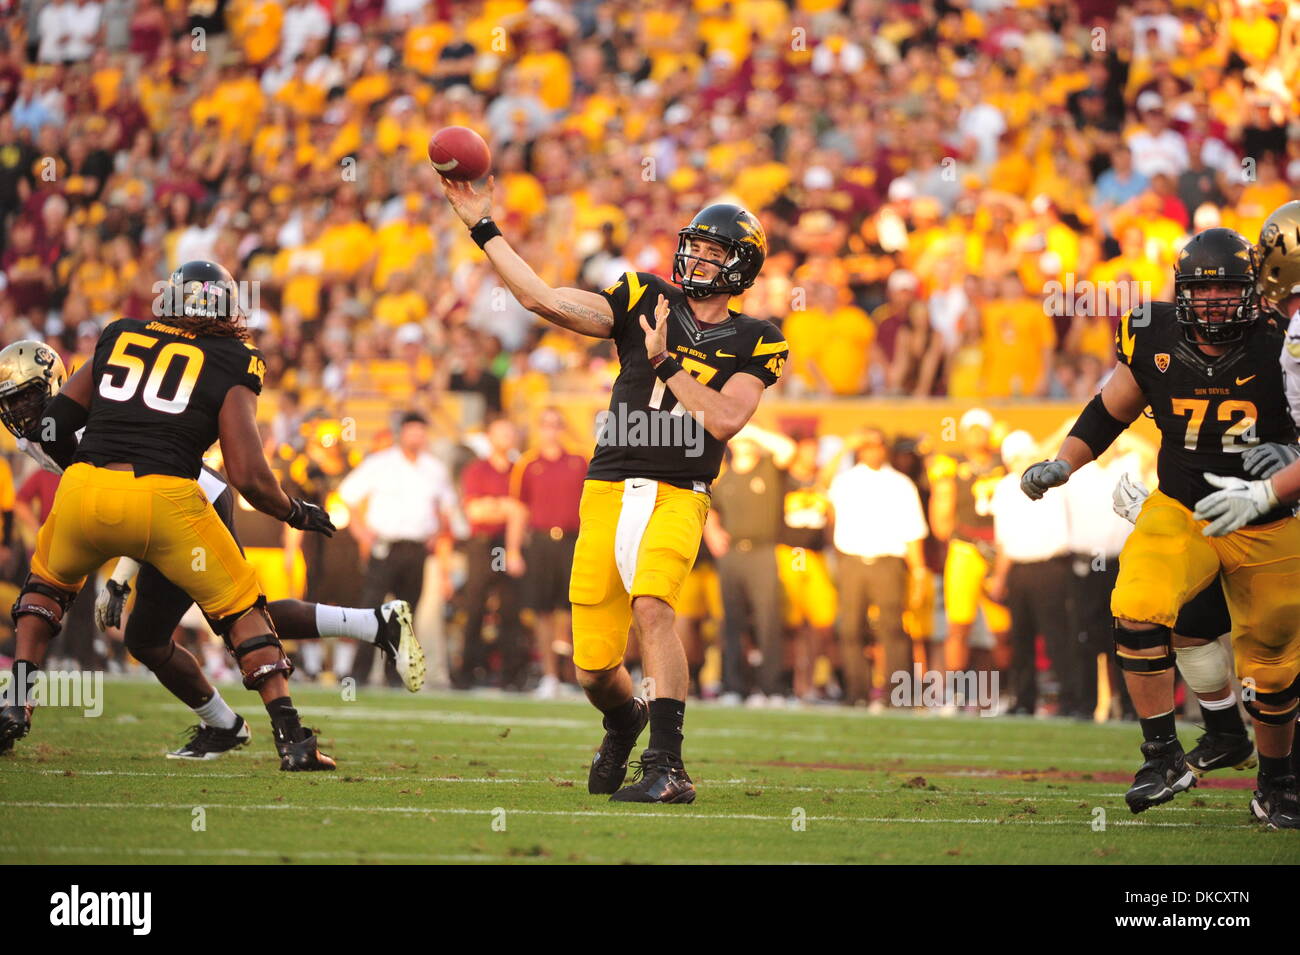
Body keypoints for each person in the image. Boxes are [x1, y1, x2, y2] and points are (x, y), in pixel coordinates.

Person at [440, 175, 786, 803]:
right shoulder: (643, 295)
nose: (699, 259)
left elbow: (727, 417)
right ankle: (626, 720)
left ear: (743, 266)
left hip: (681, 490)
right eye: (696, 246)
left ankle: (668, 766)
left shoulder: (756, 336)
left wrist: (665, 363)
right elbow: (545, 300)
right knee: (594, 668)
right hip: (606, 488)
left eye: (715, 252)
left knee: (654, 607)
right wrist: (483, 228)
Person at [0, 261, 338, 770]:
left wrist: (97, 465)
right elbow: (247, 474)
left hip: (84, 491)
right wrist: (295, 511)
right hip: (167, 500)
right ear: (227, 307)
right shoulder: (234, 358)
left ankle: (15, 703)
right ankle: (293, 740)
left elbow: (50, 428)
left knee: (42, 593)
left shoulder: (120, 335)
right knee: (243, 610)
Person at [1022, 228, 1300, 829]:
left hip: (1267, 516)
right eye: (1206, 291)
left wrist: (1293, 453)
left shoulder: (1281, 339)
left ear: (1253, 291)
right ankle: (1162, 754)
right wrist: (1064, 461)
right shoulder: (1152, 332)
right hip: (1184, 507)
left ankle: (1277, 783)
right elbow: (1112, 407)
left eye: (1230, 289)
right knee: (1137, 603)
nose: (1218, 301)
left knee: (1273, 664)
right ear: (1182, 294)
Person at [338, 411, 455, 688]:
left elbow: (447, 508)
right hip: (385, 546)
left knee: (404, 614)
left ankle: (395, 675)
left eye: (421, 431)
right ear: (401, 433)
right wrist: (361, 532)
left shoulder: (434, 469)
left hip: (416, 548)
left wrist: (437, 534)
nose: (417, 436)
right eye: (412, 430)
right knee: (370, 611)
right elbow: (347, 496)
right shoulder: (380, 464)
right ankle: (359, 673)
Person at [826, 427, 928, 707]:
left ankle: (898, 696)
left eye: (878, 445)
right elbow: (821, 485)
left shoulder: (900, 483)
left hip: (888, 562)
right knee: (850, 629)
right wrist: (845, 445)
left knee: (893, 629)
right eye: (867, 445)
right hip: (852, 561)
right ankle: (856, 693)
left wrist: (918, 571)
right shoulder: (844, 480)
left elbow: (913, 530)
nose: (873, 450)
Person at [506, 407, 586, 698]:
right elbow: (519, 509)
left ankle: (573, 675)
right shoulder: (528, 464)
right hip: (540, 541)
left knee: (573, 607)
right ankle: (550, 676)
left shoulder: (579, 461)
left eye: (555, 424)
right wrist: (513, 549)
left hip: (572, 540)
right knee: (542, 610)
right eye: (545, 425)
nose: (550, 430)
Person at [458, 416, 527, 689]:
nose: (506, 438)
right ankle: (467, 671)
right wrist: (506, 507)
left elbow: (523, 510)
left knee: (510, 609)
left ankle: (511, 675)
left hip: (510, 543)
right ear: (489, 437)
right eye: (500, 433)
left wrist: (498, 507)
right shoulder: (477, 469)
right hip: (482, 544)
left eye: (510, 432)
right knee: (474, 606)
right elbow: (475, 510)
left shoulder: (520, 471)